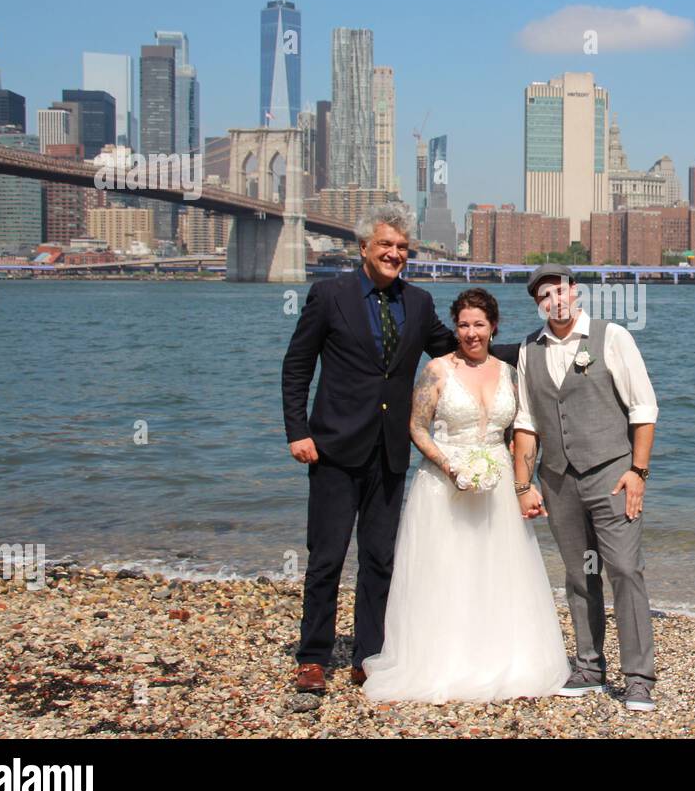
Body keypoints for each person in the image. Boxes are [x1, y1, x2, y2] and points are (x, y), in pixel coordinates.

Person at [280, 203, 519, 694]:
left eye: (402, 248)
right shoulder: (329, 296)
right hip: (334, 448)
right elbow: (296, 366)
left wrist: (536, 349)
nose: (394, 254)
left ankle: (369, 655)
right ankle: (313, 658)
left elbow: (457, 351)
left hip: (390, 453)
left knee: (380, 558)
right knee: (326, 556)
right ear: (364, 247)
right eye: (385, 245)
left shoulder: (419, 302)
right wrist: (297, 431)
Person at [359, 288, 570, 703]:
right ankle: (441, 659)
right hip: (443, 485)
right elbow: (417, 427)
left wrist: (523, 485)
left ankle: (497, 655)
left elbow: (521, 434)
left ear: (493, 326)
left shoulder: (510, 372)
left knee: (494, 571)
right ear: (455, 328)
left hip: (496, 484)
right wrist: (449, 466)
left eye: (479, 324)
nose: (471, 333)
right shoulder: (437, 370)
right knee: (447, 570)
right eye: (463, 325)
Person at [512, 264, 660, 712]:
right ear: (538, 303)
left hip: (611, 474)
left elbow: (643, 408)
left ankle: (638, 677)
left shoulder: (612, 337)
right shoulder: (527, 351)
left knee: (624, 570)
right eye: (544, 295)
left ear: (574, 292)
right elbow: (526, 423)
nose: (555, 300)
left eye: (560, 290)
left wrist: (638, 472)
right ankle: (589, 667)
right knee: (579, 575)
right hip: (557, 478)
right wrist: (523, 484)